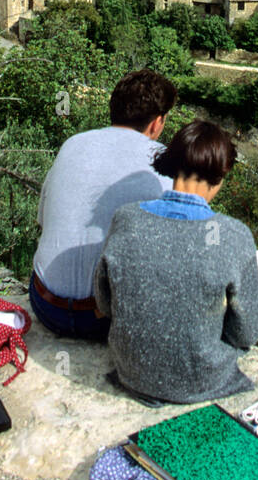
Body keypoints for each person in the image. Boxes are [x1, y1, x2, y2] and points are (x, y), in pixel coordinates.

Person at [94, 119, 258, 404]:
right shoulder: (234, 235)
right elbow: (247, 331)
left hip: (131, 374)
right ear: (221, 174)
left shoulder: (126, 219)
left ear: (173, 164)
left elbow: (104, 303)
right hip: (201, 381)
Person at [30, 69, 177, 340]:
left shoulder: (73, 144)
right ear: (157, 123)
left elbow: (43, 223)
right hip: (106, 318)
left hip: (46, 303)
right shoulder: (165, 160)